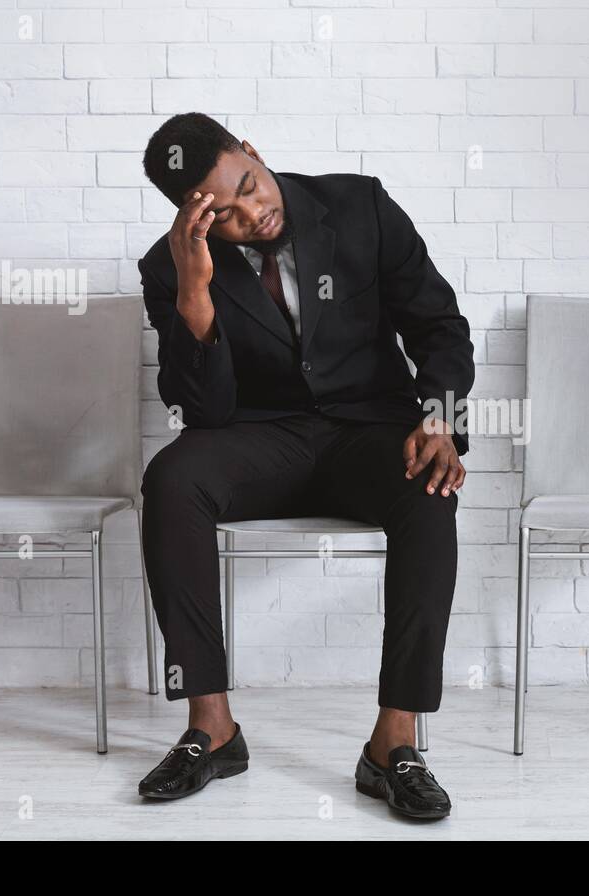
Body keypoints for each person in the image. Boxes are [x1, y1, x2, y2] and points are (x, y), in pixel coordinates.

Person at [135, 113, 474, 819]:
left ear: (252, 152)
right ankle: (212, 728)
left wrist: (439, 418)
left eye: (250, 187)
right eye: (222, 216)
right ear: (192, 219)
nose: (251, 215)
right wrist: (195, 294)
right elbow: (201, 407)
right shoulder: (169, 267)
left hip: (368, 429)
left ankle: (394, 742)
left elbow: (440, 327)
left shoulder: (360, 208)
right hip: (263, 436)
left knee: (429, 488)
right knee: (172, 477)